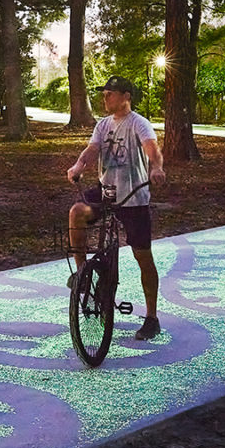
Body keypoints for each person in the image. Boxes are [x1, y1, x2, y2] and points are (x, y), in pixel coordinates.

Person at [65, 75, 168, 340]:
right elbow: (91, 150)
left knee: (142, 256)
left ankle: (152, 317)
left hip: (133, 197)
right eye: (104, 93)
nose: (105, 97)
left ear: (125, 96)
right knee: (77, 213)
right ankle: (82, 275)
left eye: (110, 93)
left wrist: (156, 167)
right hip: (106, 190)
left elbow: (152, 149)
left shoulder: (139, 124)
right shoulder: (102, 125)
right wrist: (79, 166)